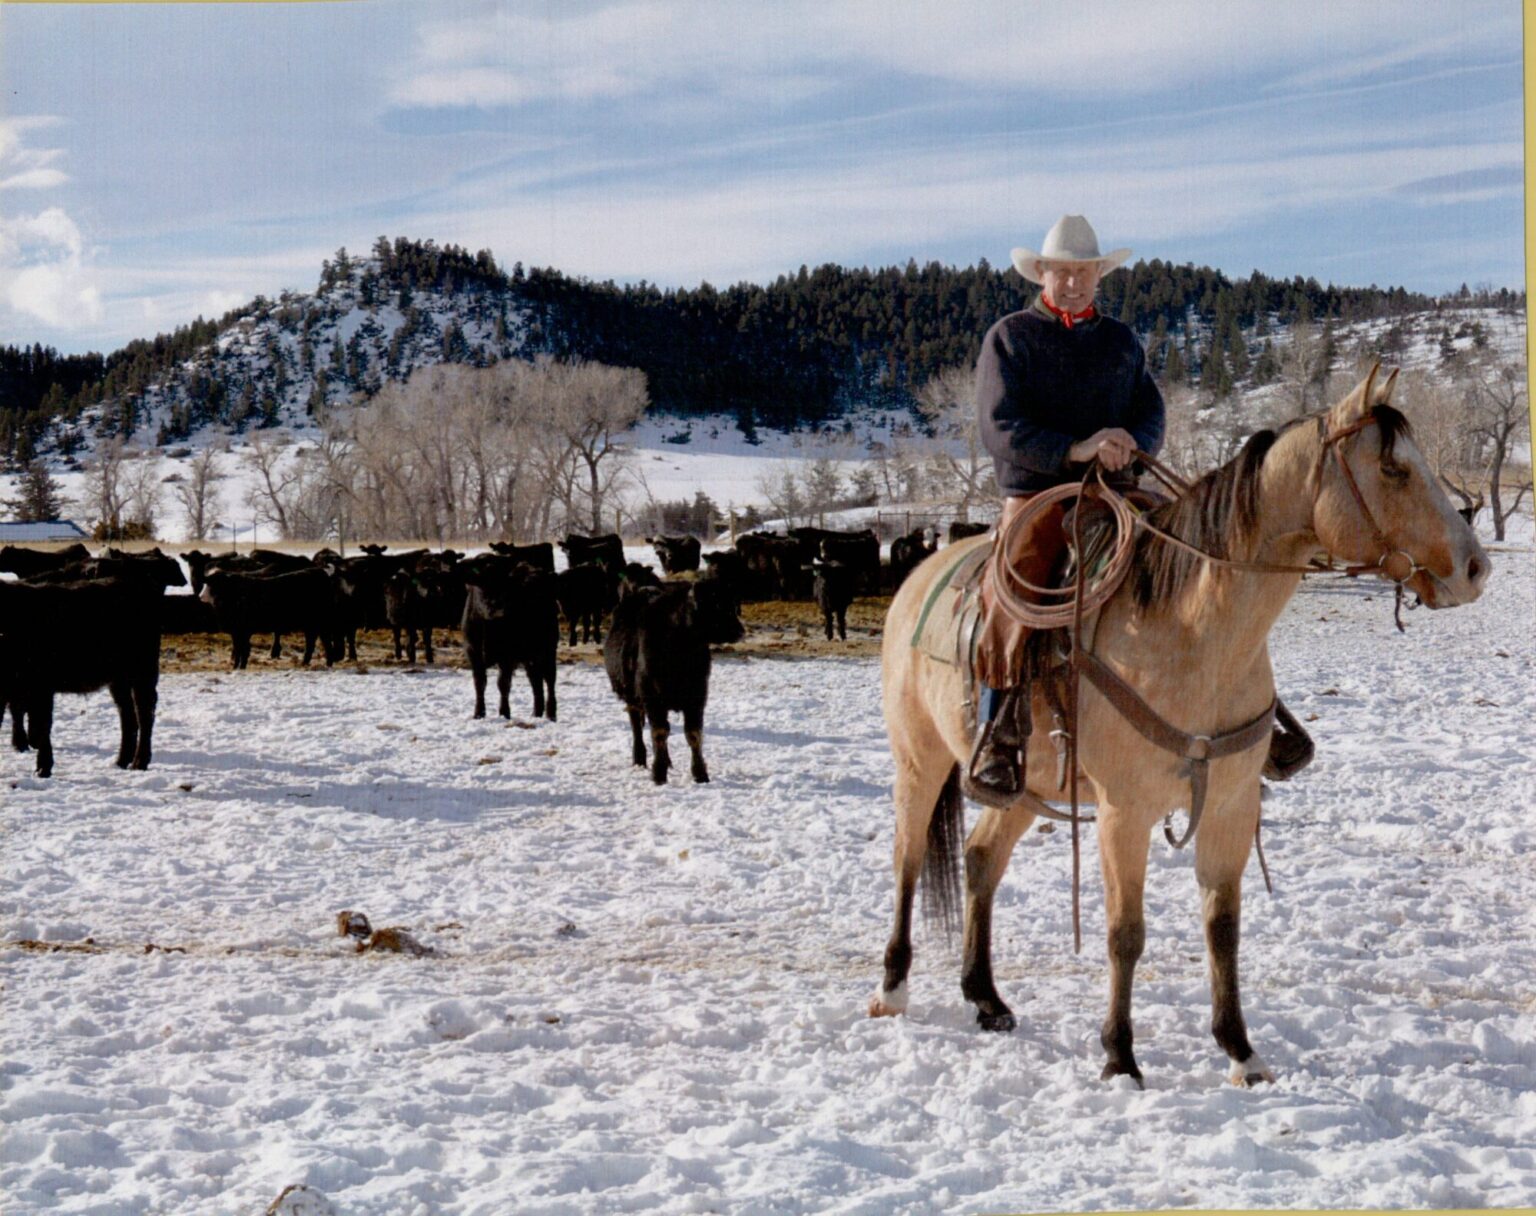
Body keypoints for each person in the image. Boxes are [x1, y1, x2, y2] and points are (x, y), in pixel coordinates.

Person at [968, 214, 1165, 801]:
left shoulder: (1121, 341)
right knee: (1020, 581)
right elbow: (999, 427)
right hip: (1039, 492)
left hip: (1115, 489)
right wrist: (1072, 449)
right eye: (1063, 273)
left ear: (1099, 276)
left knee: (1194, 552)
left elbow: (1149, 410)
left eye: (1085, 272)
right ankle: (1001, 733)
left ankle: (1247, 710)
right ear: (1043, 274)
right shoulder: (1010, 336)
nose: (1074, 283)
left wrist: (1135, 444)